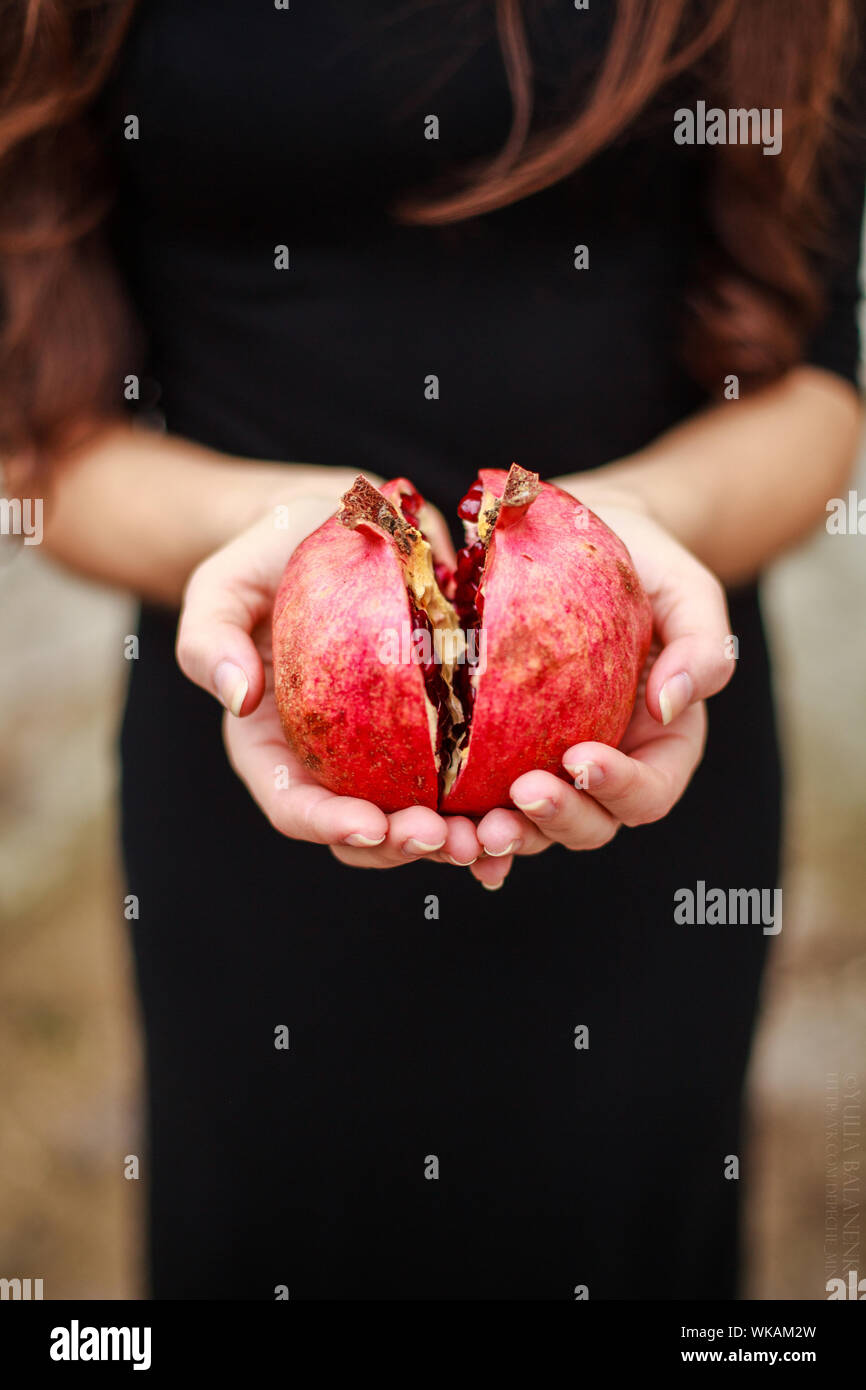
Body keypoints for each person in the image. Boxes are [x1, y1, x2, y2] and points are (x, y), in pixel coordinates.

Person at [2, 1, 863, 1299]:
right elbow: (35, 444)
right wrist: (270, 547)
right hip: (255, 749)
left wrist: (632, 536)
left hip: (632, 737)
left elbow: (815, 385)